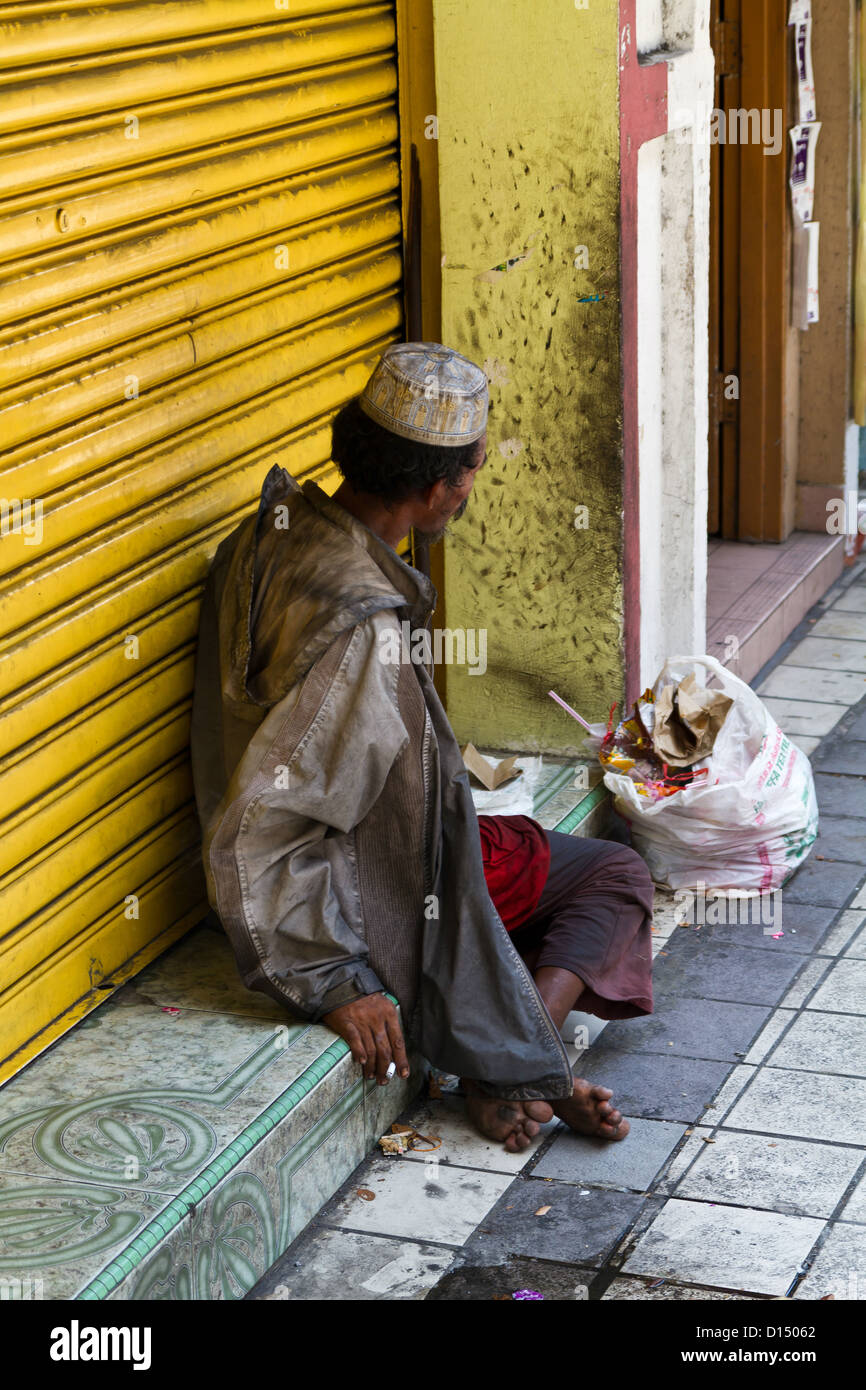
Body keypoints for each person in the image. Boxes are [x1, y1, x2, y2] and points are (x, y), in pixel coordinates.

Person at [190, 342, 654, 1154]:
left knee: (514, 877)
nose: (472, 487)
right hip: (363, 891)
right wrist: (332, 979)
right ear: (439, 487)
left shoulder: (277, 529)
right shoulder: (359, 629)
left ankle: (515, 1059)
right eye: (472, 471)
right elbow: (261, 826)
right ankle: (516, 1073)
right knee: (614, 874)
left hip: (360, 855)